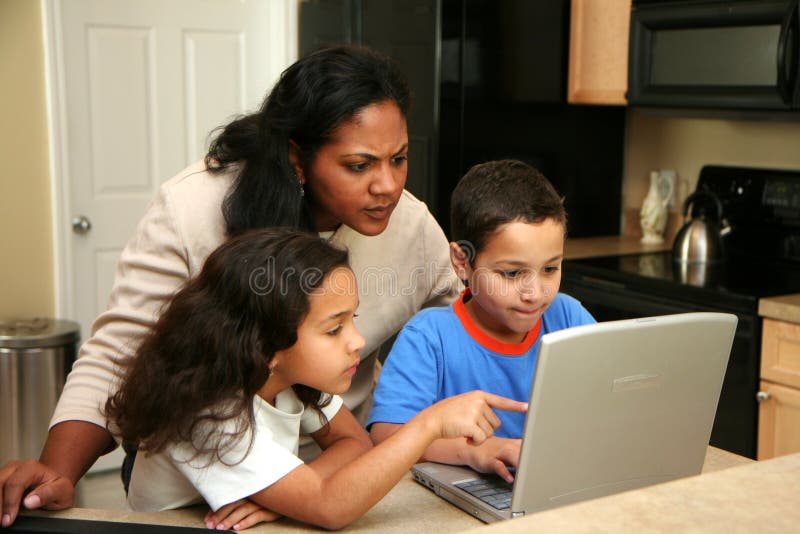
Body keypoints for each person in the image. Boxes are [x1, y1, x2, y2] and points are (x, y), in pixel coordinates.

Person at [0, 45, 460, 528]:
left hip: (335, 460)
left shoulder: (412, 225)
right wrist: (58, 471)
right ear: (296, 159)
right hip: (210, 490)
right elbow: (118, 356)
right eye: (359, 165)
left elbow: (459, 328)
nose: (387, 186)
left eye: (400, 158)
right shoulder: (193, 207)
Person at [107, 227, 525, 530]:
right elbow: (330, 509)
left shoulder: (293, 378)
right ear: (266, 346)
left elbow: (354, 443)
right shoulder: (210, 413)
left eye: (352, 319)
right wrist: (429, 423)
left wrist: (285, 497)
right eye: (333, 329)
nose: (357, 341)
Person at [367, 160, 596, 483]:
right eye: (512, 273)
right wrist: (473, 451)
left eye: (550, 269)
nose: (535, 293)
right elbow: (386, 435)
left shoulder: (569, 317)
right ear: (462, 262)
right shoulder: (429, 337)